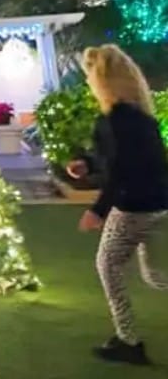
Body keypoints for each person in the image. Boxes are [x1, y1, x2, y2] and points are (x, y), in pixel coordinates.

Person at [66, 45, 168, 365]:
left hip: (133, 207)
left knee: (108, 266)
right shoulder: (142, 118)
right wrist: (86, 163)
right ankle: (127, 340)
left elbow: (120, 171)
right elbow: (118, 161)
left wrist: (97, 210)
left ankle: (128, 341)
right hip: (158, 204)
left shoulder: (112, 121)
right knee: (154, 275)